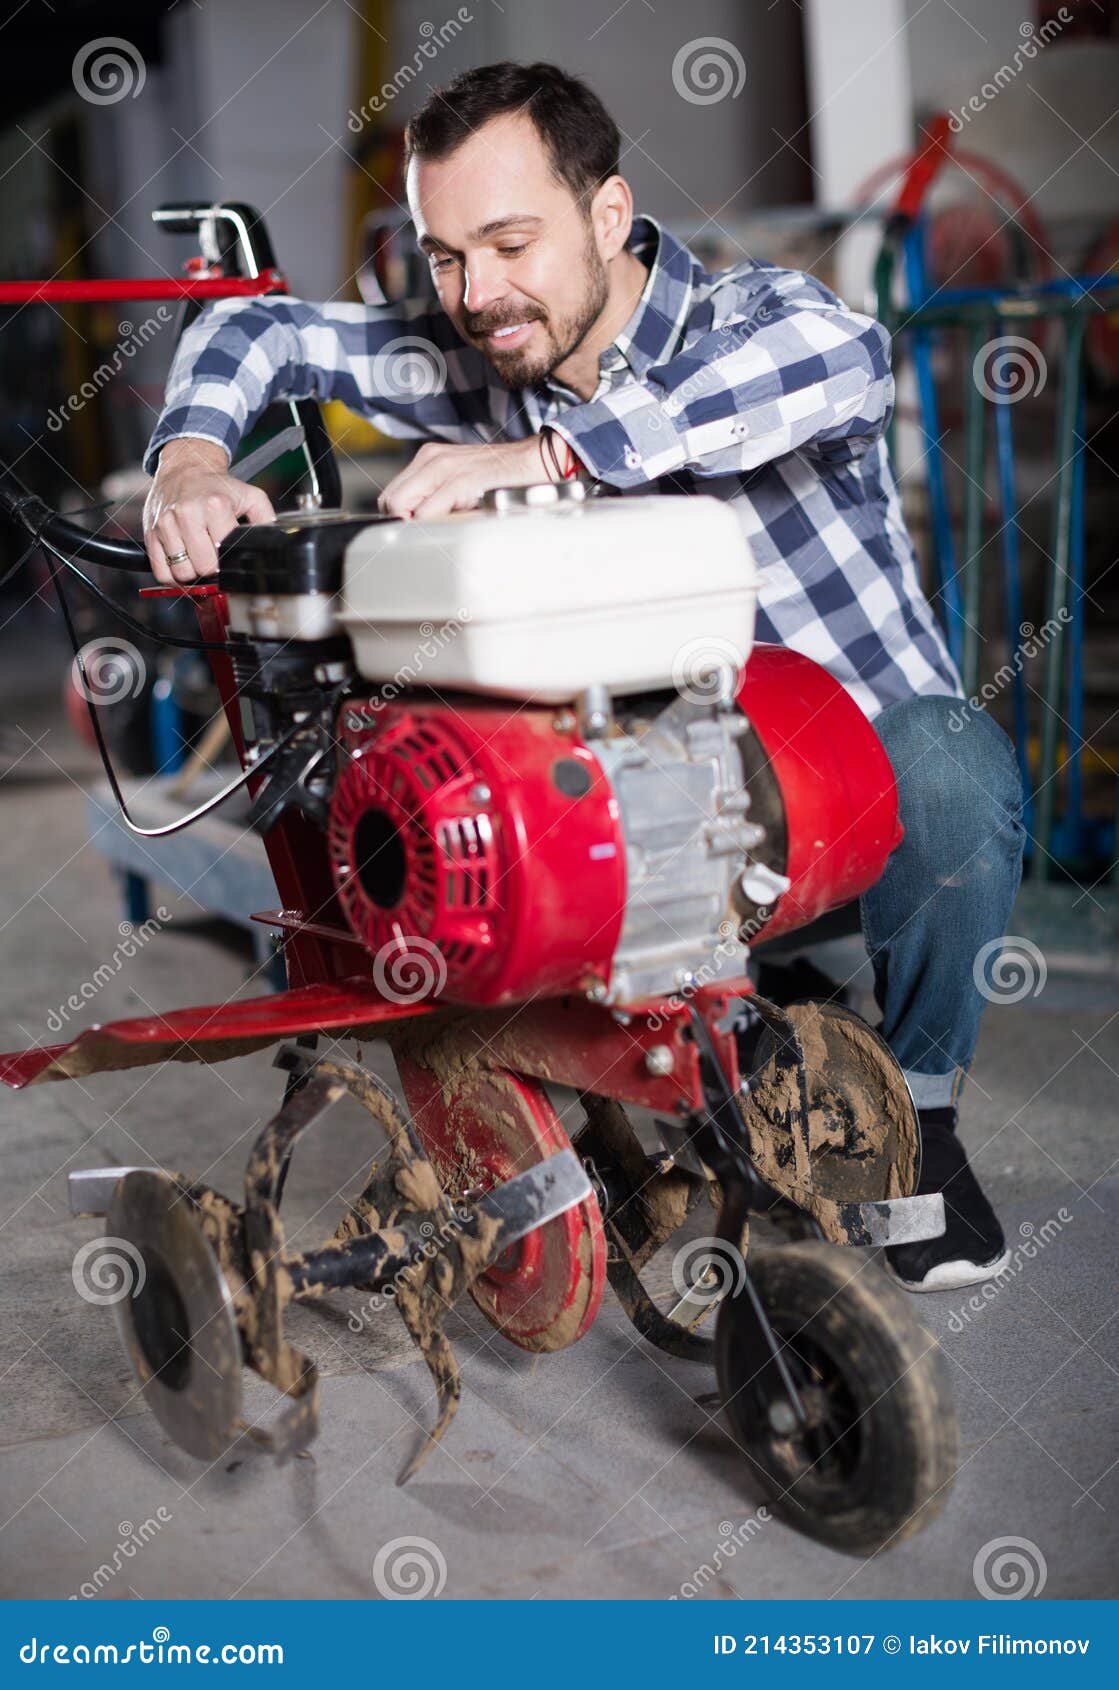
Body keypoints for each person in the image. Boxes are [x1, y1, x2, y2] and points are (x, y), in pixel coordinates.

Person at [141, 60, 1022, 1292]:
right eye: (446, 256)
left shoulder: (752, 323)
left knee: (949, 760)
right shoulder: (474, 356)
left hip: (853, 812)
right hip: (664, 840)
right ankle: (698, 1040)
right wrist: (187, 462)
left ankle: (918, 1114)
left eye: (509, 241)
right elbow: (255, 326)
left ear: (608, 215)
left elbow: (844, 359)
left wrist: (554, 452)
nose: (476, 293)